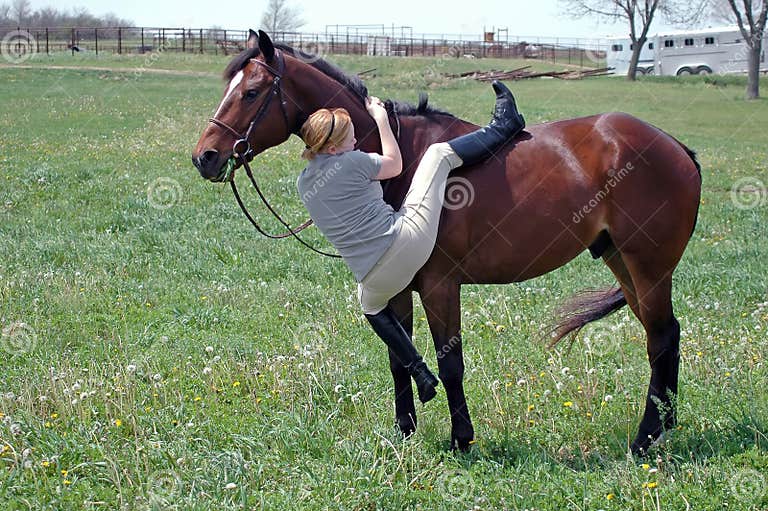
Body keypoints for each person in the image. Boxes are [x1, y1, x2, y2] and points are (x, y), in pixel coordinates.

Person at [297, 81, 525, 404]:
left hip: (372, 279)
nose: (355, 139)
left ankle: (418, 369)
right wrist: (379, 119)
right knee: (438, 154)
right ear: (332, 148)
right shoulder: (353, 162)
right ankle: (505, 125)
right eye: (348, 136)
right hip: (405, 242)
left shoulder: (303, 182)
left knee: (371, 308)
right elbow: (395, 164)